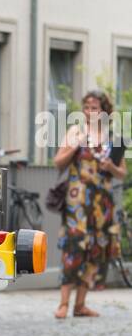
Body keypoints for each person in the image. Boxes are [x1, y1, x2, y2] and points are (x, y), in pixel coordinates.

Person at [53, 89, 126, 319]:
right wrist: (75, 146)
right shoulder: (76, 131)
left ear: (104, 111)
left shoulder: (113, 138)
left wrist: (111, 168)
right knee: (73, 248)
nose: (90, 112)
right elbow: (58, 162)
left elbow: (122, 173)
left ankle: (80, 304)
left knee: (96, 250)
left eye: (95, 108)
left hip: (102, 203)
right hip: (78, 200)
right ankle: (64, 303)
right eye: (86, 107)